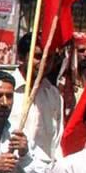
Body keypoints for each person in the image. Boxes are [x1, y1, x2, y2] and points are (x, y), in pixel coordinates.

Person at [14, 33, 65, 161]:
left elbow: (57, 141)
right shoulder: (4, 91)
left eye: (49, 58)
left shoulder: (54, 95)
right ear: (21, 57)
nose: (44, 63)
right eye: (38, 57)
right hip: (10, 171)